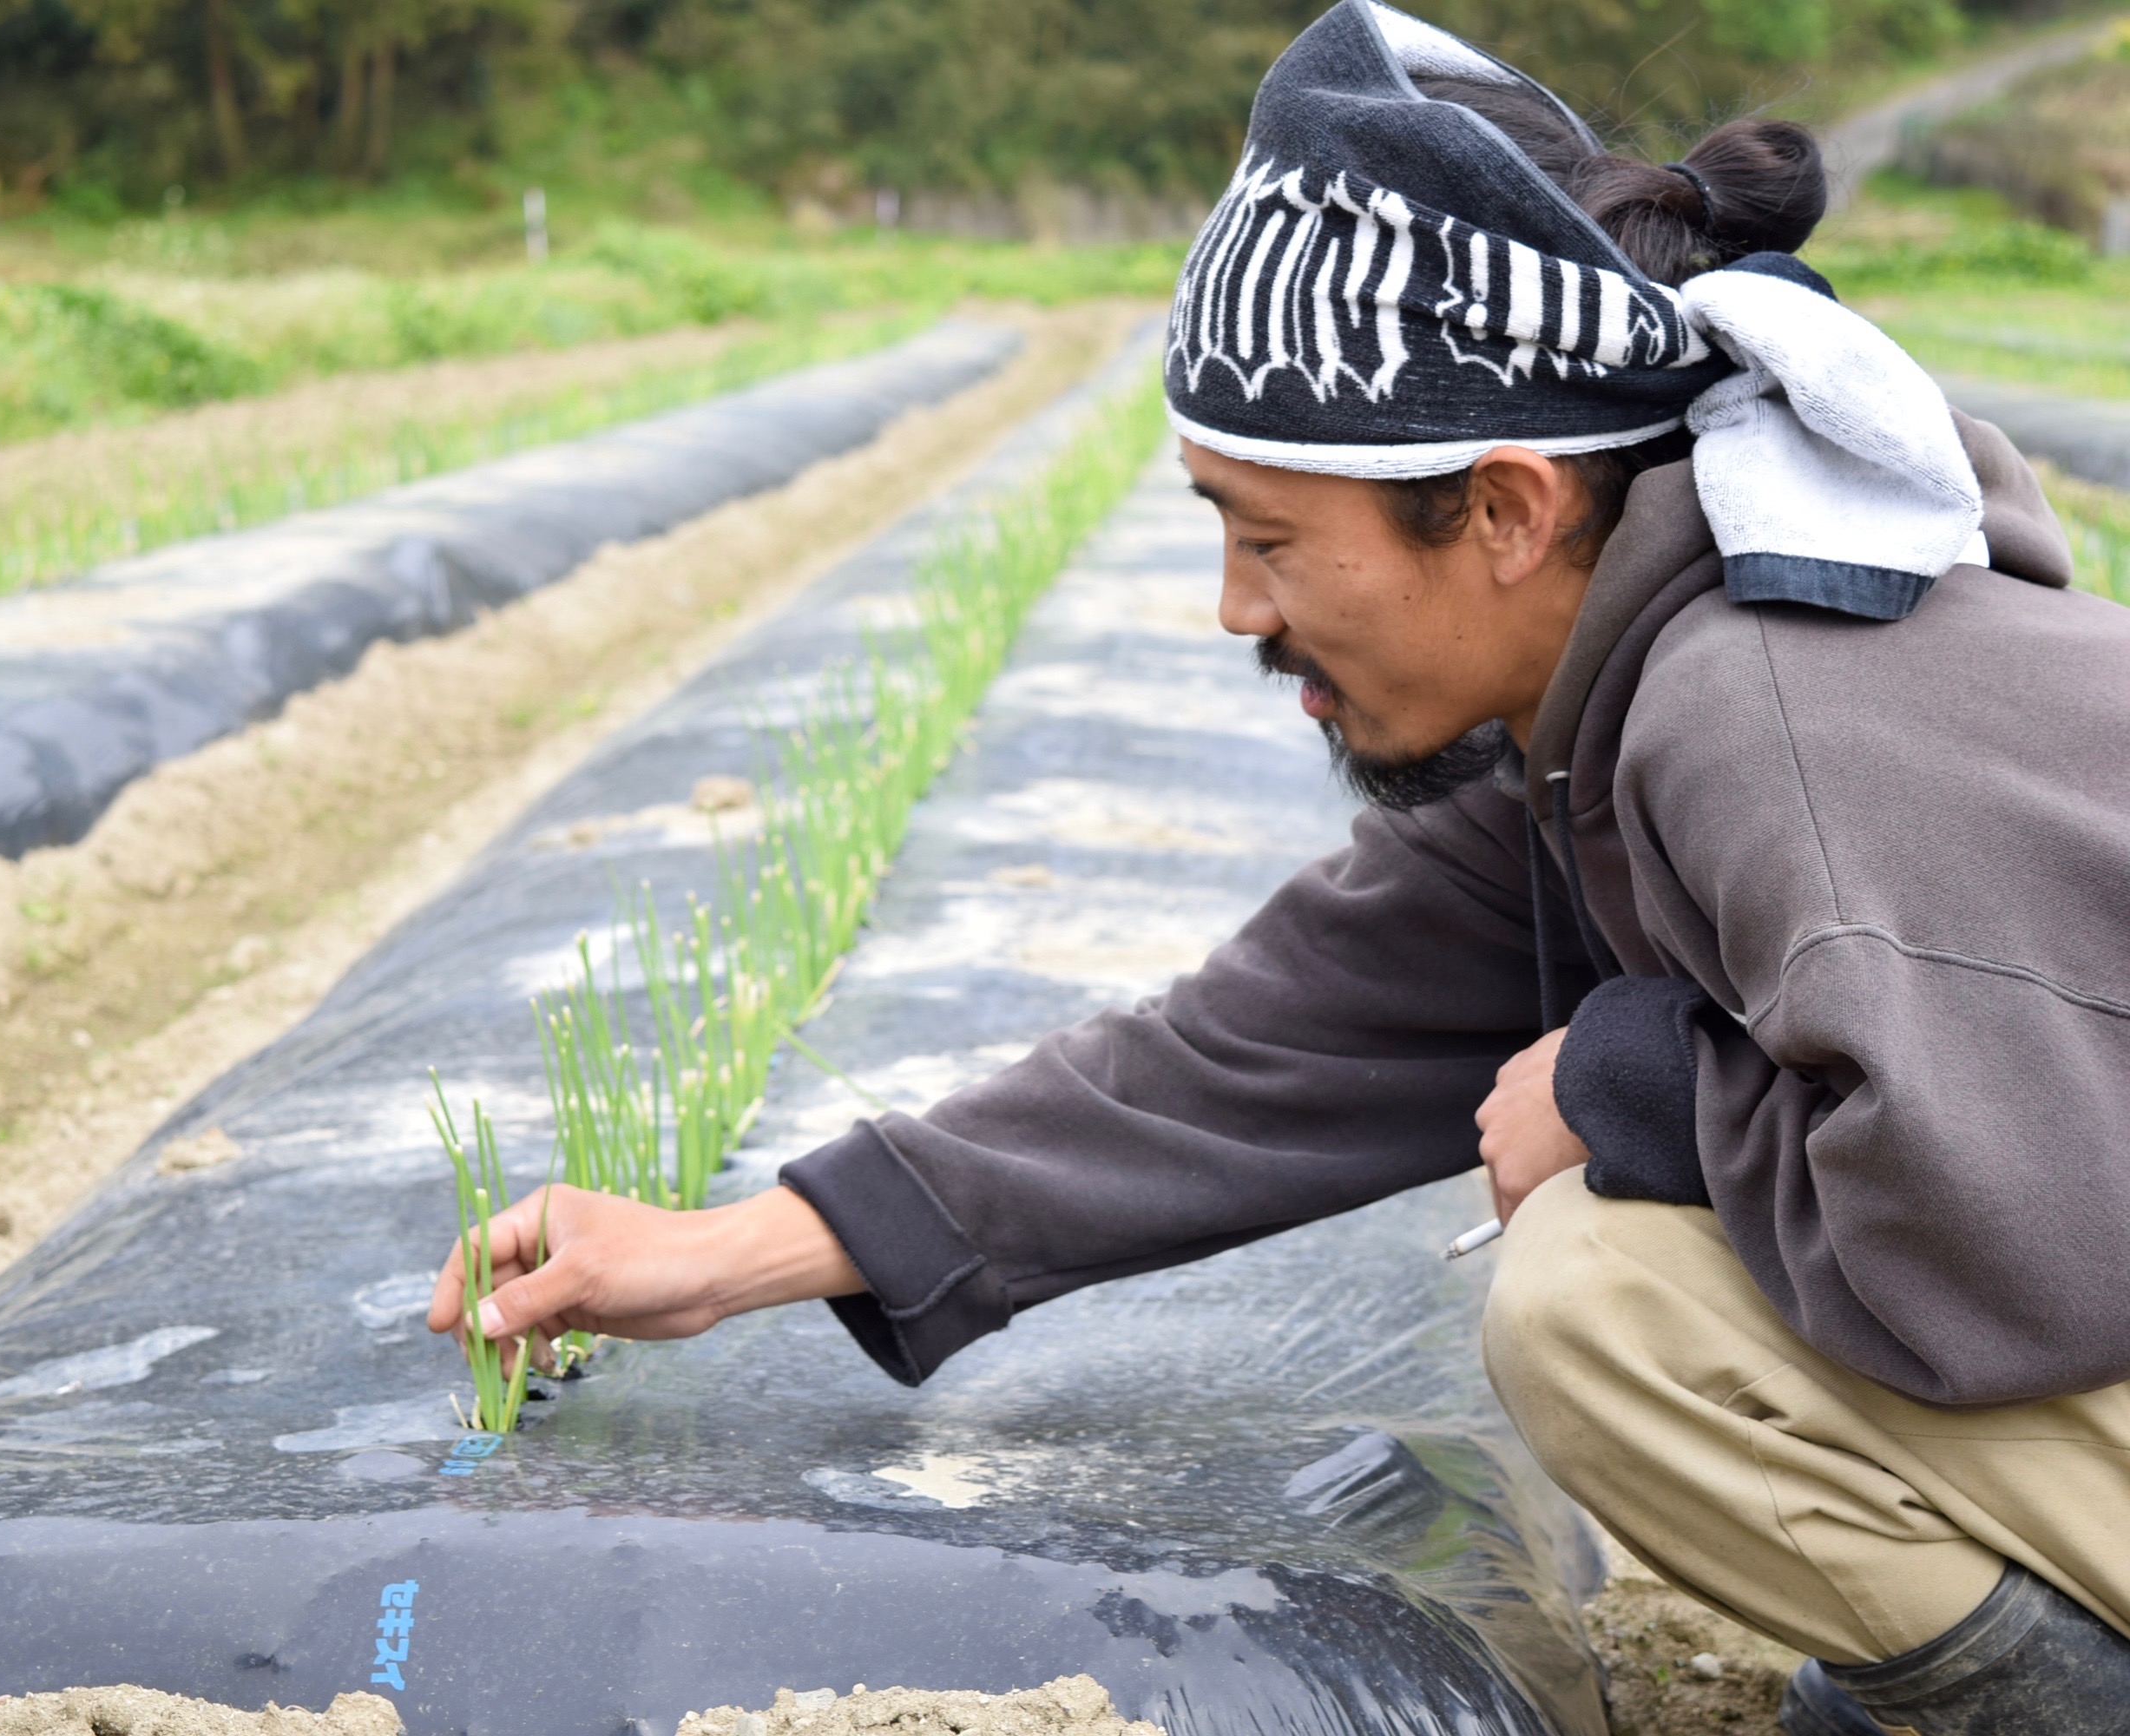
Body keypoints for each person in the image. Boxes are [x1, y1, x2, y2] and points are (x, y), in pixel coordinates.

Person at [429, 4, 2130, 1730]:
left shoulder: (1766, 713)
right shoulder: (1609, 705)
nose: (1237, 611)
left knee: (1595, 1297)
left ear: (1506, 509)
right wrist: (733, 1251)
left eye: (1267, 539)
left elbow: (2006, 1243)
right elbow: (1257, 1049)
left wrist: (1625, 1085)